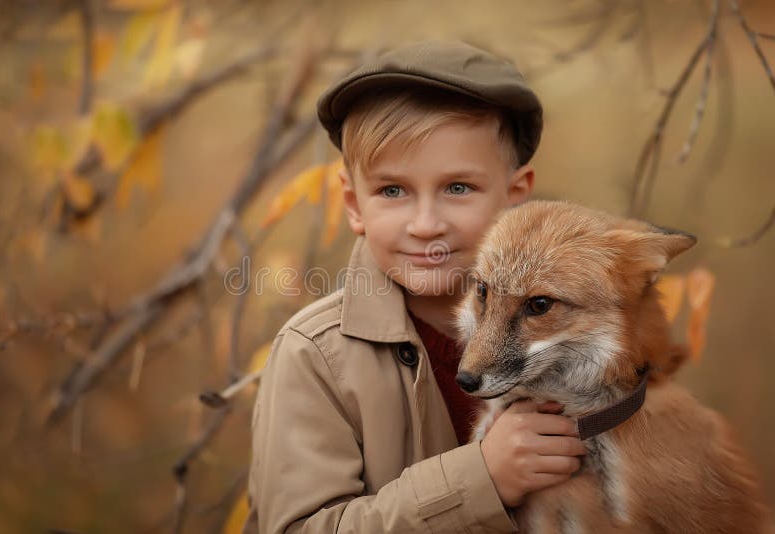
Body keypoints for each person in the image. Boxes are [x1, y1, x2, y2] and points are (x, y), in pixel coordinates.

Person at [243, 40, 586, 533]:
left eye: (458, 188)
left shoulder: (566, 333)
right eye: (393, 191)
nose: (426, 224)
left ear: (515, 196)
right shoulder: (316, 356)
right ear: (354, 204)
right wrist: (481, 479)